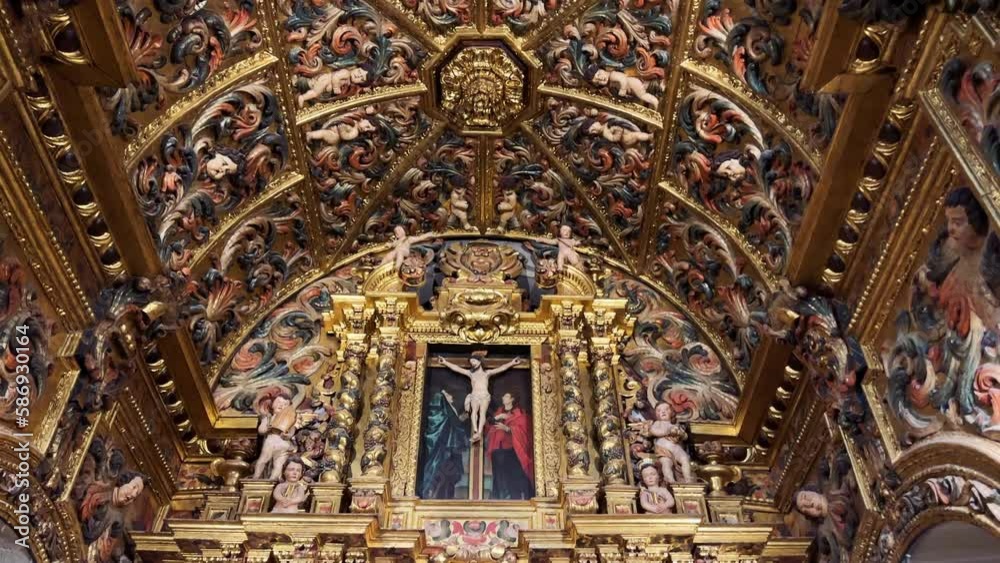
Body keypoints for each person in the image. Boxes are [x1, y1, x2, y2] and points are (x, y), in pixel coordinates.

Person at [437, 351, 522, 441]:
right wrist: (445, 362)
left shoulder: (487, 373)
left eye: (474, 361)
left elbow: (501, 368)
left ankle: (479, 432)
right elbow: (457, 368)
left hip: (484, 396)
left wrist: (512, 363)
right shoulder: (471, 373)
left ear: (479, 362)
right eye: (471, 363)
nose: (472, 364)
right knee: (474, 412)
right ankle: (475, 430)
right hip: (475, 395)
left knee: (482, 413)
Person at [419, 389, 470, 499]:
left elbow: (453, 425)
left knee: (449, 477)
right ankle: (437, 497)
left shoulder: (449, 412)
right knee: (441, 475)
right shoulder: (442, 412)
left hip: (450, 450)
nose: (450, 396)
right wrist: (457, 421)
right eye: (447, 394)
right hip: (443, 451)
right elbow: (445, 424)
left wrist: (459, 420)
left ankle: (446, 498)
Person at [485, 392, 533, 499]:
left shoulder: (519, 413)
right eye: (504, 395)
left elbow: (524, 430)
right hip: (498, 450)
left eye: (506, 396)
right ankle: (500, 497)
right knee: (499, 476)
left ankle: (516, 497)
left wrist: (507, 428)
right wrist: (496, 419)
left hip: (512, 451)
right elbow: (489, 427)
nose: (503, 397)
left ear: (512, 399)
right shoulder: (499, 412)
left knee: (514, 476)